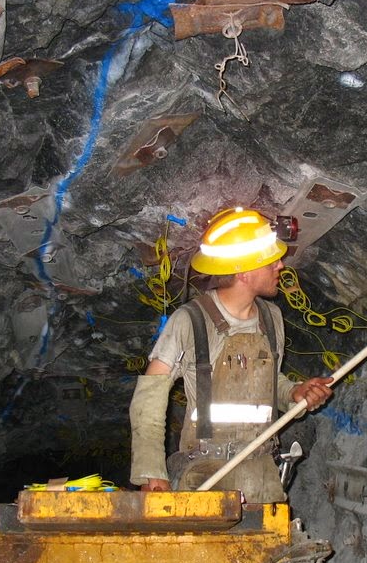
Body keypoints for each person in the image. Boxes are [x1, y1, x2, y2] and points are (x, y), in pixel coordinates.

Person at [129, 207, 333, 501]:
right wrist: (152, 473)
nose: (280, 266)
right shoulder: (191, 320)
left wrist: (296, 394)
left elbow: (268, 384)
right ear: (244, 271)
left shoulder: (272, 316)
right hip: (207, 477)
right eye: (271, 260)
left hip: (262, 478)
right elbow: (148, 401)